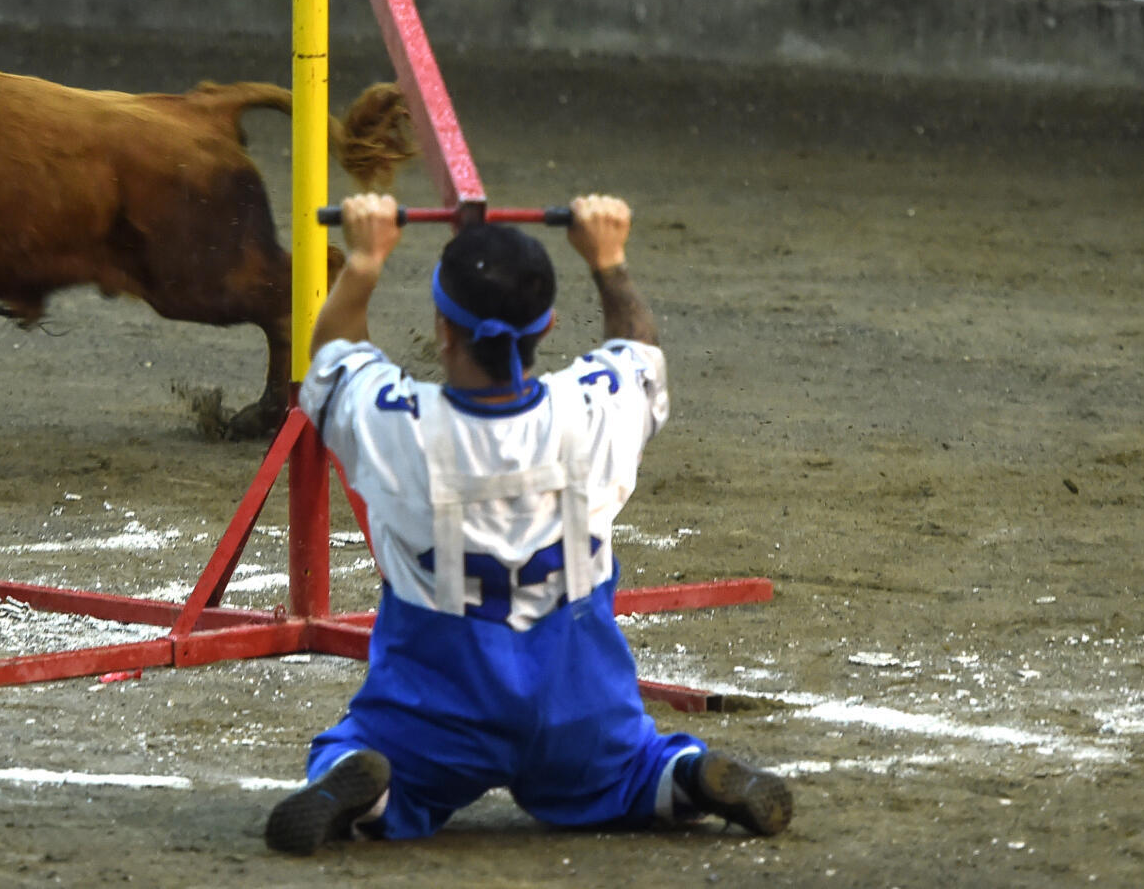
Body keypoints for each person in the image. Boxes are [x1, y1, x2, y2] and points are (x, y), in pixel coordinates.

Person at [261, 192, 795, 854]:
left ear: (443, 329)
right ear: (547, 327)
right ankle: (681, 777)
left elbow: (334, 357)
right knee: (631, 770)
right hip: (577, 701)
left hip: (438, 705)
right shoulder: (594, 406)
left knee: (367, 755)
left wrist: (366, 259)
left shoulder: (396, 421)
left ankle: (365, 786)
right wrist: (609, 259)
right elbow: (638, 350)